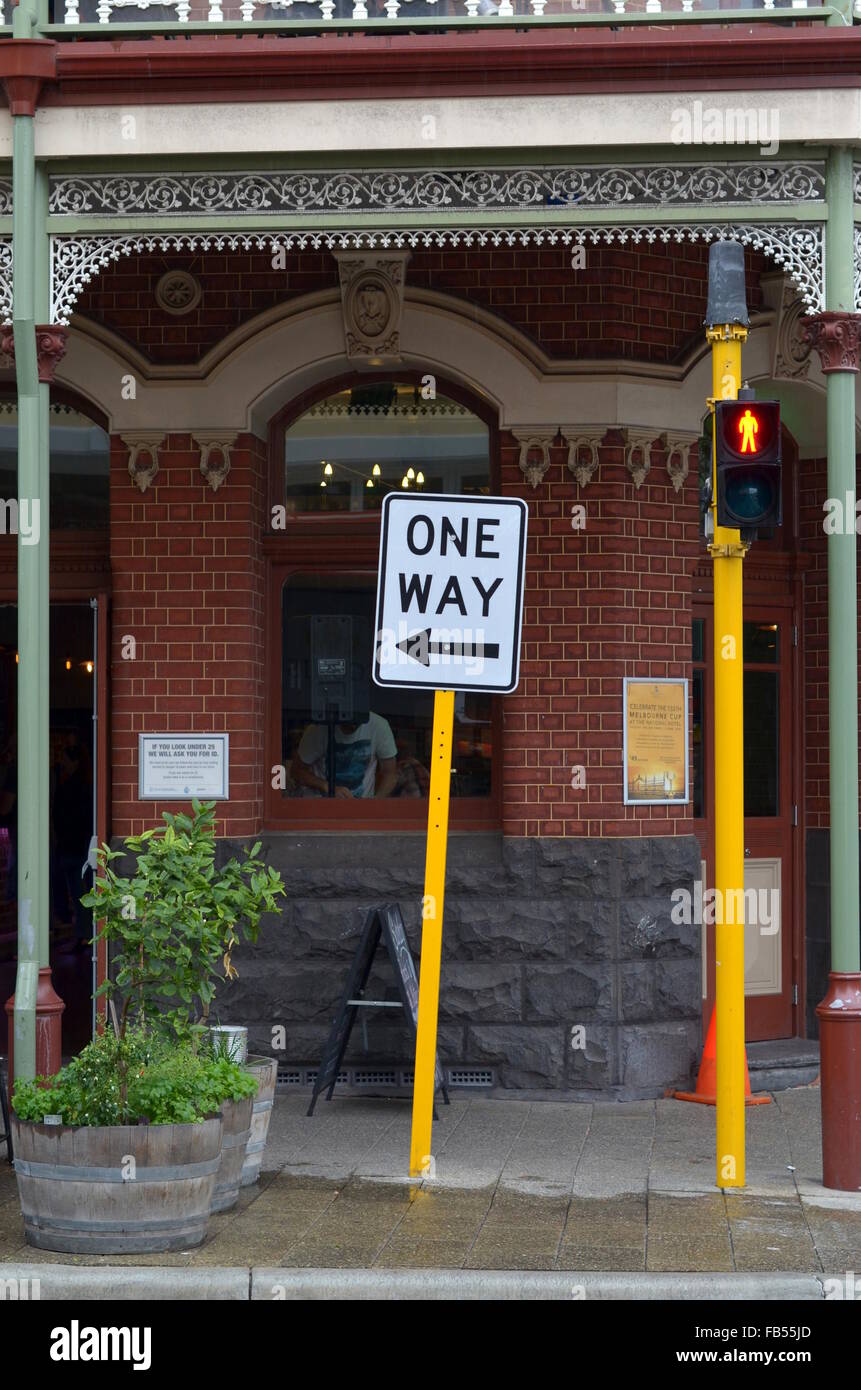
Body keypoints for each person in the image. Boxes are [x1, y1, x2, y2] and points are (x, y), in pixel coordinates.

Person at [292, 711, 398, 798]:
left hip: (362, 809)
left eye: (355, 723)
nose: (352, 727)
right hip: (321, 805)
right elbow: (296, 771)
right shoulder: (319, 728)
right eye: (346, 723)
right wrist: (327, 787)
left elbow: (390, 773)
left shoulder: (379, 726)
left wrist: (374, 803)